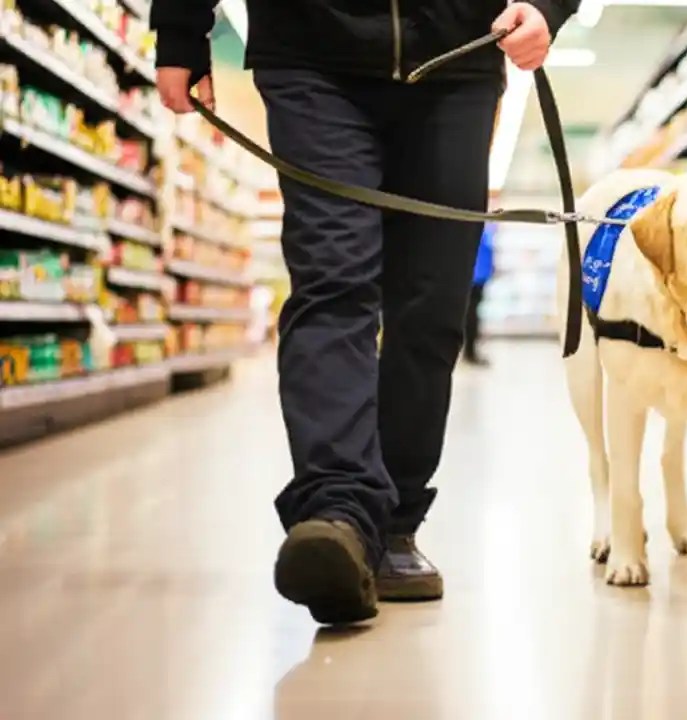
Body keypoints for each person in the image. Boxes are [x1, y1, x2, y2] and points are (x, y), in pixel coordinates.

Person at [151, 0, 579, 624]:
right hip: (310, 54)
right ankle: (338, 514)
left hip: (457, 58)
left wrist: (547, 7)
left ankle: (396, 522)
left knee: (431, 303)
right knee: (332, 283)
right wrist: (180, 31)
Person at [463, 221, 497, 367]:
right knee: (471, 314)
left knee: (470, 313)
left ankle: (469, 350)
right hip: (475, 276)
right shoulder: (482, 229)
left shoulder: (480, 228)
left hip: (476, 275)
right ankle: (469, 352)